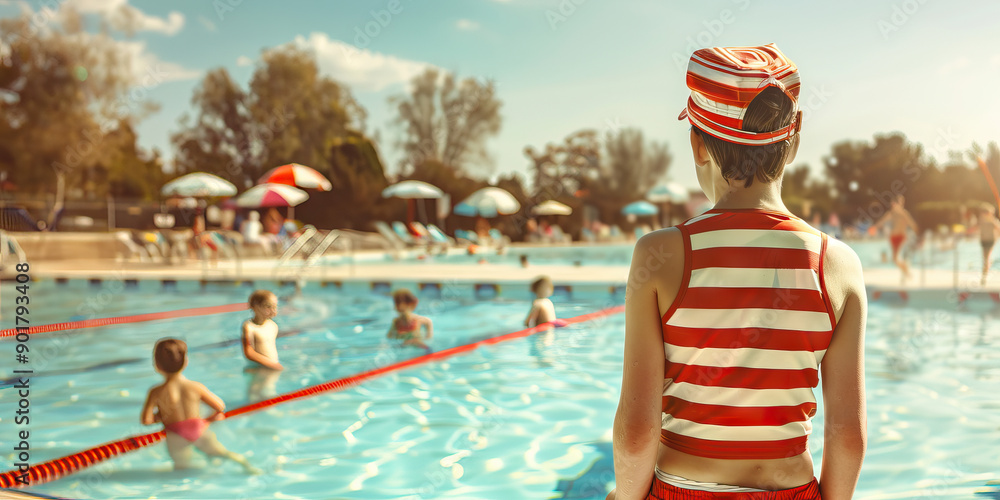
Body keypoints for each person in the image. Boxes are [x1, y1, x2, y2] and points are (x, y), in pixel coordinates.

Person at [608, 44, 866, 500]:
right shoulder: (837, 264)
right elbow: (847, 437)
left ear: (696, 142)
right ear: (796, 135)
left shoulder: (661, 256)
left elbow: (635, 433)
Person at [141, 338, 259, 473]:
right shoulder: (195, 387)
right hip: (198, 428)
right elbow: (219, 406)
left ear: (157, 364)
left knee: (181, 467)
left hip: (175, 433)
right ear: (185, 362)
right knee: (221, 453)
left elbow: (146, 420)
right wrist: (209, 420)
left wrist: (162, 416)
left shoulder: (156, 391)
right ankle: (247, 467)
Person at [872, 195, 919, 281]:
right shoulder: (891, 213)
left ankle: (906, 272)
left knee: (897, 257)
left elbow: (912, 224)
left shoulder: (903, 213)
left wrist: (916, 234)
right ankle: (906, 271)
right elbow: (882, 221)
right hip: (893, 237)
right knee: (894, 259)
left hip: (901, 237)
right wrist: (874, 227)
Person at [242, 290, 283, 371]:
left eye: (275, 306)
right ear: (255, 307)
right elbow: (249, 352)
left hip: (271, 368)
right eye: (268, 306)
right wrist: (273, 365)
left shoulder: (273, 326)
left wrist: (273, 365)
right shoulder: (249, 327)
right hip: (257, 369)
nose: (273, 310)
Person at [974, 203, 1000, 284]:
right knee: (985, 258)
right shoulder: (981, 220)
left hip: (990, 241)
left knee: (986, 258)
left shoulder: (993, 221)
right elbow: (975, 227)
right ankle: (986, 268)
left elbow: (998, 229)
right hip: (983, 241)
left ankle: (984, 275)